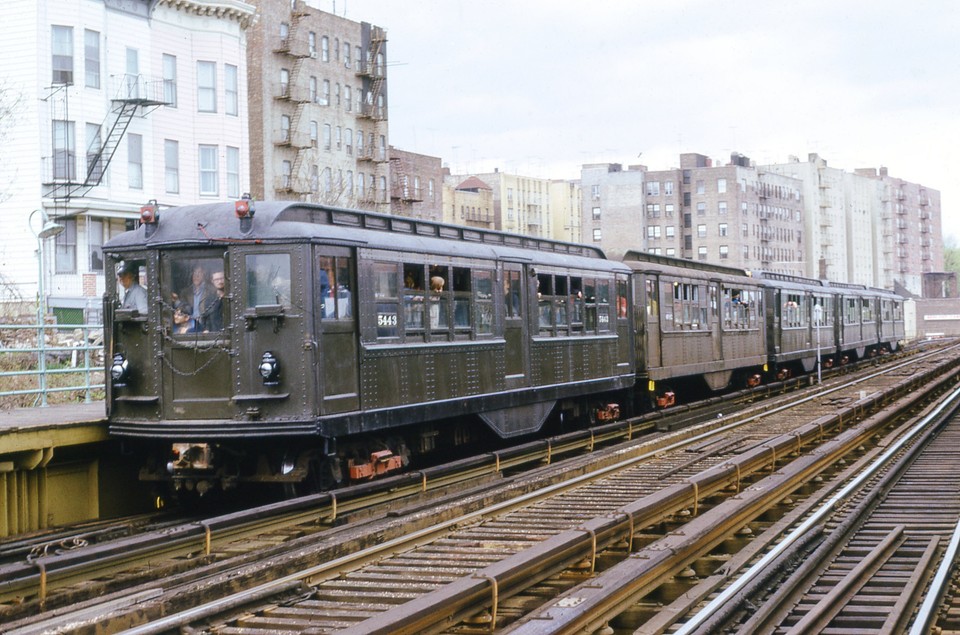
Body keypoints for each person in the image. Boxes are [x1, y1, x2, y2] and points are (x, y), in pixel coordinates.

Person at [179, 264, 216, 331]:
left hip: (205, 326)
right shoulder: (185, 292)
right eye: (194, 273)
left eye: (199, 273)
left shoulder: (211, 290)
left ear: (204, 274)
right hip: (189, 326)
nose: (196, 276)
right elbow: (182, 309)